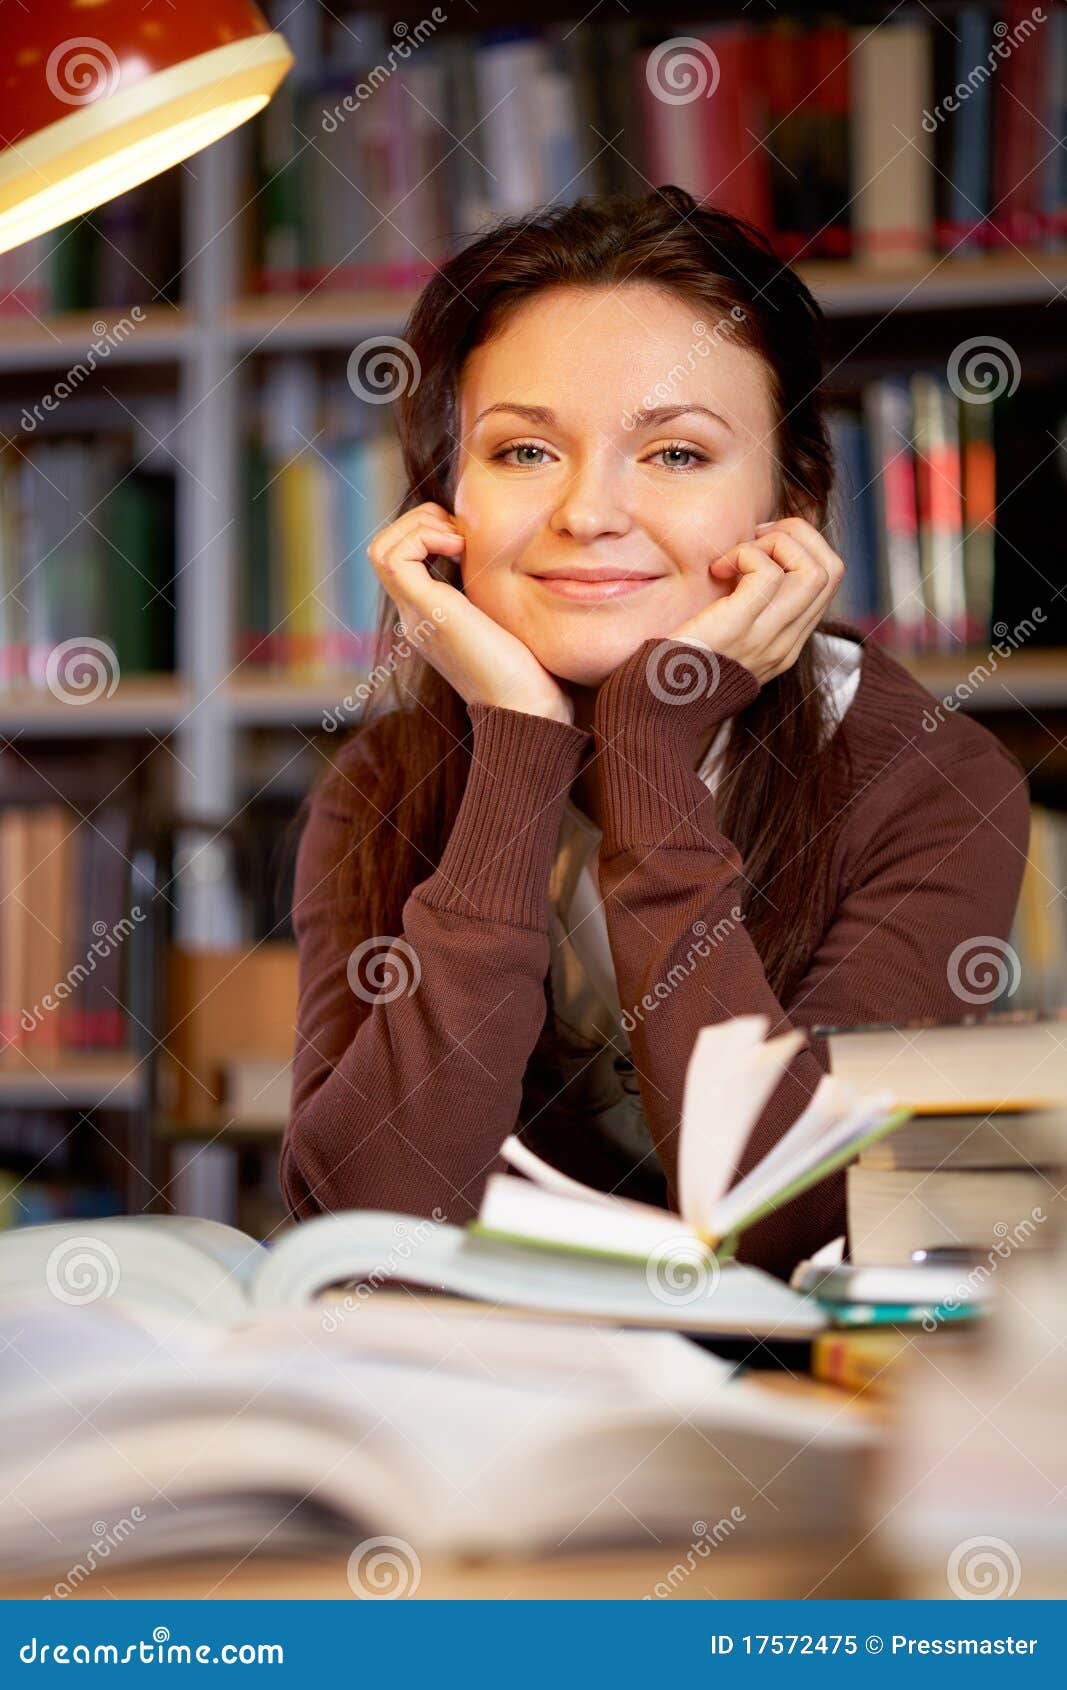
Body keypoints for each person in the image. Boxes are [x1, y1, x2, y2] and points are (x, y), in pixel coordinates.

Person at [281, 186, 1031, 1279]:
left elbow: (792, 1222)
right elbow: (361, 1230)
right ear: (443, 504)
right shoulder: (380, 782)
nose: (588, 513)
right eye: (523, 452)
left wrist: (645, 751)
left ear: (792, 508)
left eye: (676, 454)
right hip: (478, 1398)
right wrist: (517, 750)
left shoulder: (928, 779)